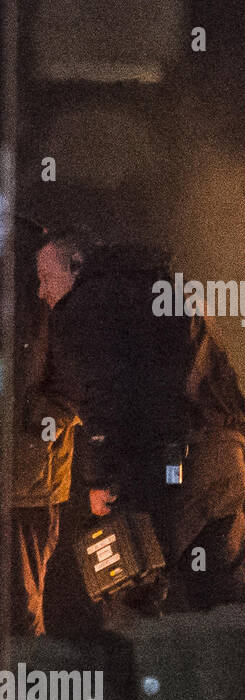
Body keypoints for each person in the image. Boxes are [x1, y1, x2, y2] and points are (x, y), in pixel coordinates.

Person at [45, 233, 245, 617]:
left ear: (75, 265)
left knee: (127, 591)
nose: (42, 292)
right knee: (224, 596)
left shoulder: (86, 308)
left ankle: (146, 677)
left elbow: (103, 399)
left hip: (171, 468)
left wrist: (100, 480)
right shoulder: (167, 287)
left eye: (45, 276)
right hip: (225, 454)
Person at [8, 219, 81, 639]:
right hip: (25, 482)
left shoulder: (46, 288)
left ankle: (27, 698)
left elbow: (74, 393)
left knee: (20, 608)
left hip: (29, 487)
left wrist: (23, 416)